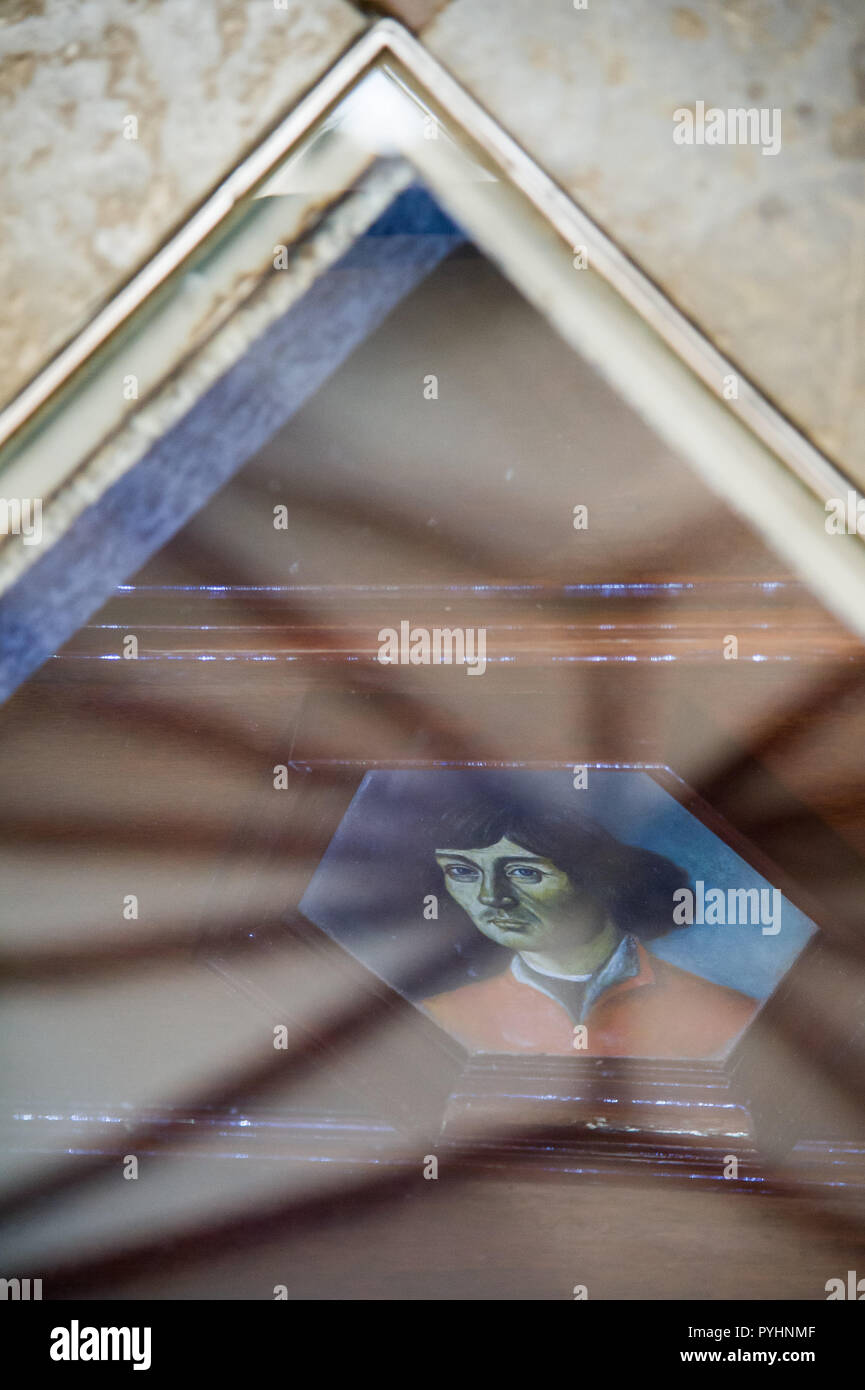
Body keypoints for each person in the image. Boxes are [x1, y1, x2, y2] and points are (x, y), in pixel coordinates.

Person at [421, 795, 757, 1058]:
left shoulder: (729, 1018)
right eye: (462, 872)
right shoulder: (440, 1020)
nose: (491, 896)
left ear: (600, 880)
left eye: (525, 872)